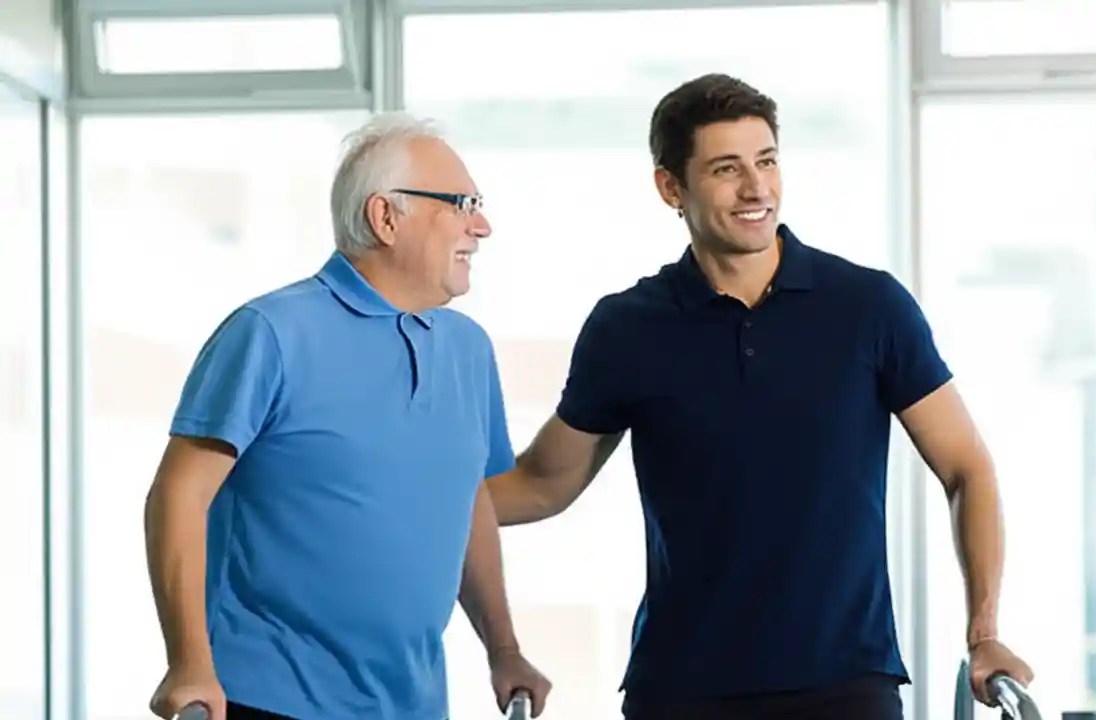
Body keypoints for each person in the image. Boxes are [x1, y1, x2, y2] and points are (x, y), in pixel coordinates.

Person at [485, 74, 1033, 720]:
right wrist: (390, 508)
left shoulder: (867, 307)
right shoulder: (627, 328)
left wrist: (983, 633)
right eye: (726, 169)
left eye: (766, 161)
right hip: (681, 691)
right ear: (671, 187)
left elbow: (967, 467)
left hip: (846, 686)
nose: (756, 188)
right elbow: (543, 483)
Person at [144, 113, 551, 720]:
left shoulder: (469, 349)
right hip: (265, 697)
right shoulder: (271, 333)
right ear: (386, 217)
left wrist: (504, 649)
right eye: (461, 203)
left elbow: (467, 501)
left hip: (412, 703)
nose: (482, 225)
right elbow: (178, 494)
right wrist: (189, 662)